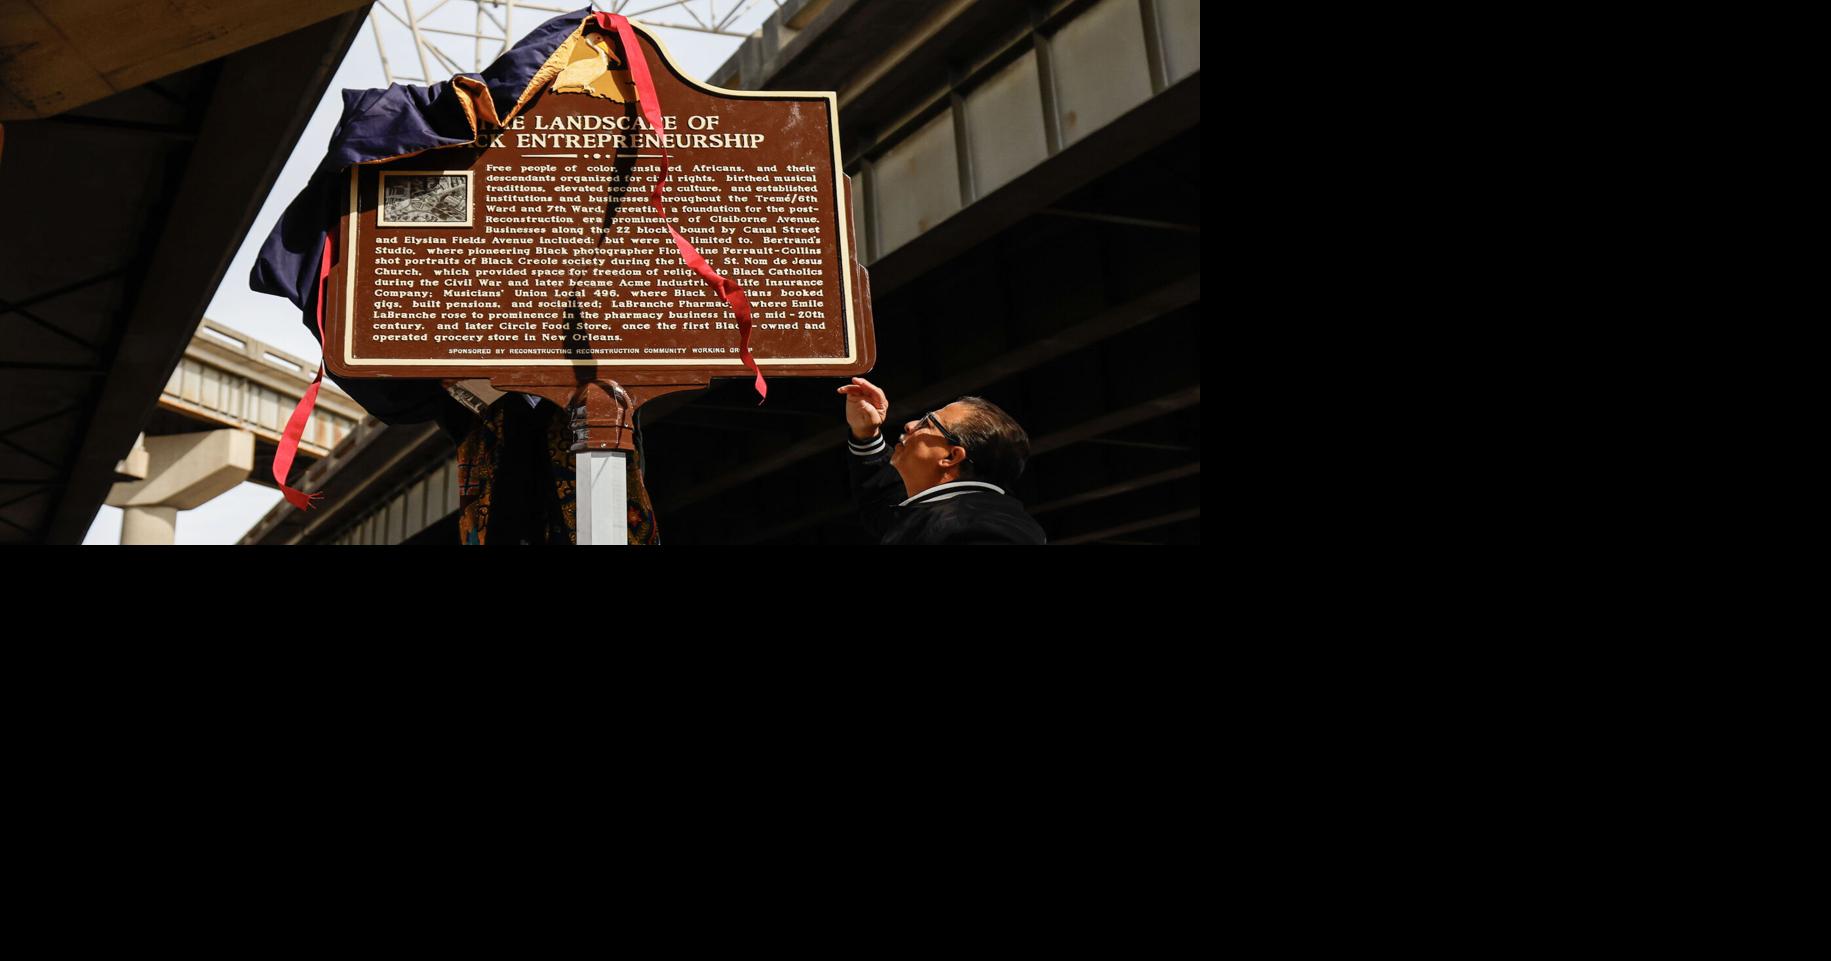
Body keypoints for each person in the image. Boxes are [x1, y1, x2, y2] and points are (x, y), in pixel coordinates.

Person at [837, 377, 1047, 545]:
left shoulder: (990, 528)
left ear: (951, 456)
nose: (910, 425)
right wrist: (866, 433)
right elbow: (883, 496)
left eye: (927, 423)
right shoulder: (951, 513)